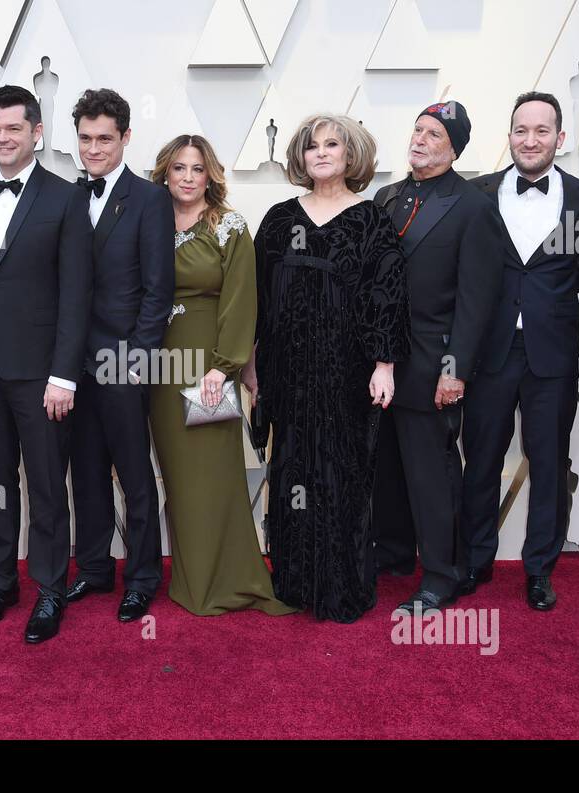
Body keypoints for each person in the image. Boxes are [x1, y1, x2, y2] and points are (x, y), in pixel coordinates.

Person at [247, 114, 410, 623]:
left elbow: (387, 295)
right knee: (292, 468)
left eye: (332, 144)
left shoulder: (370, 219)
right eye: (312, 146)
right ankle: (293, 582)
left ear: (350, 154)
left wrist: (384, 364)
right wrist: (252, 366)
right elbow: (254, 298)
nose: (321, 153)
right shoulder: (277, 219)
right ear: (301, 157)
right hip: (287, 370)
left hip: (347, 371)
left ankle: (341, 587)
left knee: (343, 473)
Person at [0, 85, 93, 644]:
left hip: (41, 375)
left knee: (47, 487)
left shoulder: (66, 198)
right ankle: (0, 583)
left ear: (37, 132)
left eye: (13, 128)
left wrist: (64, 375)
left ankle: (51, 590)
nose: (2, 138)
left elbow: (76, 294)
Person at [460, 91, 579, 610]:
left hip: (552, 353)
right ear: (510, 135)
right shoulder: (477, 194)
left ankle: (540, 569)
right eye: (521, 130)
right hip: (489, 351)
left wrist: (547, 301)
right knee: (479, 460)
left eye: (542, 131)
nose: (530, 140)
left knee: (548, 465)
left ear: (559, 139)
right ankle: (475, 560)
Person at [146, 135, 291, 617]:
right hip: (159, 366)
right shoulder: (150, 222)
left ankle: (222, 582)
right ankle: (190, 578)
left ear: (211, 175)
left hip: (207, 367)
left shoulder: (228, 225)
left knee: (212, 474)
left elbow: (240, 299)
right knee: (179, 479)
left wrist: (223, 367)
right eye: (179, 168)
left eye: (197, 169)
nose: (187, 177)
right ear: (165, 172)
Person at [369, 101, 502, 613]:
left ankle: (443, 573)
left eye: (435, 135)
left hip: (433, 364)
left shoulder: (472, 206)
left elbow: (476, 301)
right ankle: (396, 554)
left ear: (454, 149)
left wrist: (456, 371)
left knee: (432, 474)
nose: (421, 140)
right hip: (383, 362)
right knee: (387, 469)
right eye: (418, 130)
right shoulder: (387, 196)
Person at [65, 89, 174, 622]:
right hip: (71, 365)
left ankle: (143, 576)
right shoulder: (65, 195)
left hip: (124, 362)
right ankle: (91, 568)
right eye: (85, 139)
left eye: (104, 138)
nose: (93, 149)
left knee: (134, 475)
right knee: (84, 474)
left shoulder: (150, 199)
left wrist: (137, 361)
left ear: (126, 138)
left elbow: (159, 290)